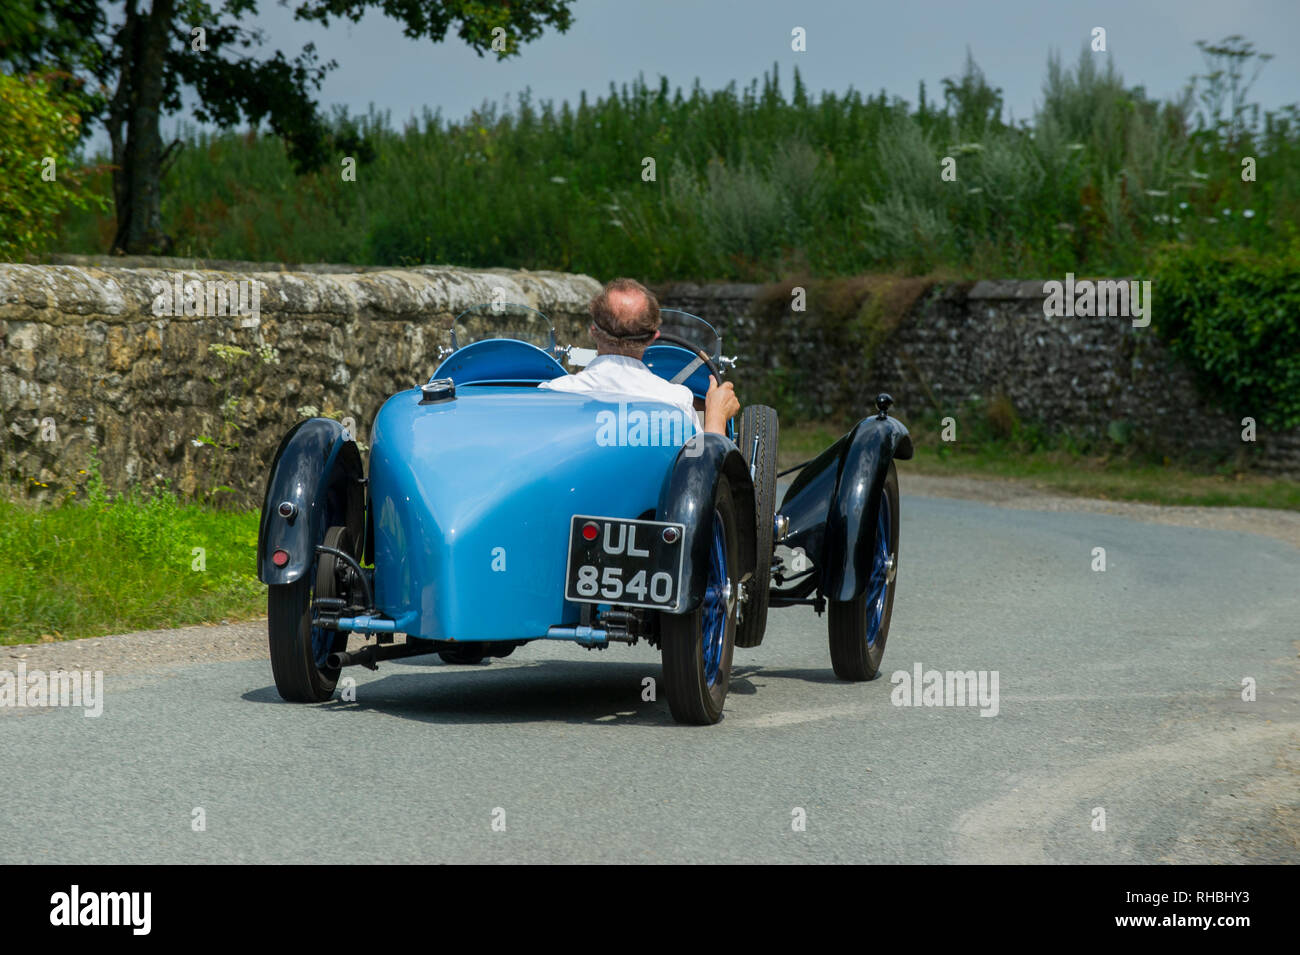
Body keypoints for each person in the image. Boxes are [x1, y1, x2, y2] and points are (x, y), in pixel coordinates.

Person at [539, 278, 739, 434]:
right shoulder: (676, 401)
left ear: (593, 331)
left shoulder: (553, 394)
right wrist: (716, 418)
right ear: (653, 337)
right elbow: (701, 469)